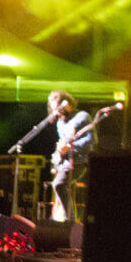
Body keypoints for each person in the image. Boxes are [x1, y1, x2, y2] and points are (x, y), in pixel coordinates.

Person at [47, 90, 92, 222]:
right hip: (64, 162)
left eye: (59, 108)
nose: (57, 112)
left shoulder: (82, 117)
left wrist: (72, 147)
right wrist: (59, 151)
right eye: (54, 109)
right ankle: (72, 221)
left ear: (67, 104)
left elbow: (91, 141)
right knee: (65, 189)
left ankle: (70, 220)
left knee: (59, 185)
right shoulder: (60, 123)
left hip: (78, 161)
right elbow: (63, 141)